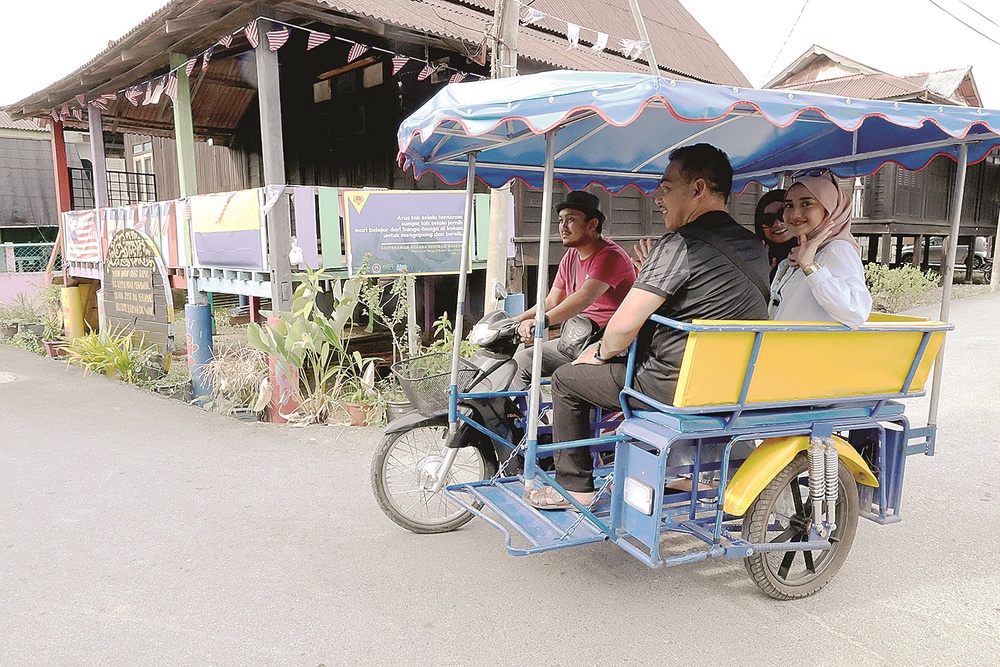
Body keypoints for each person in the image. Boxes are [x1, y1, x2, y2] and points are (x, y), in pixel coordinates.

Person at [525, 144, 770, 510]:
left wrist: (601, 352)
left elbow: (622, 329)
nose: (658, 197)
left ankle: (575, 487)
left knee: (566, 380)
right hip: (734, 382)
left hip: (669, 385)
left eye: (667, 187)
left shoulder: (679, 244)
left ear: (698, 189)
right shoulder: (754, 246)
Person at [511, 191, 635, 390]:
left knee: (557, 375)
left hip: (608, 345)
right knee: (520, 362)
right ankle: (524, 418)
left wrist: (543, 321)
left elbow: (584, 297)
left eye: (571, 220)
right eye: (560, 220)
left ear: (592, 224)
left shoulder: (610, 256)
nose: (563, 227)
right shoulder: (571, 256)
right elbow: (552, 301)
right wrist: (514, 321)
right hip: (577, 340)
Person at [769, 170, 872, 328]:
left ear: (830, 209)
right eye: (789, 205)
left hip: (811, 350)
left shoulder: (837, 249)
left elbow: (856, 312)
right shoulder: (800, 253)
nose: (795, 214)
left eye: (807, 204)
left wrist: (810, 267)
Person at [754, 188, 795, 282]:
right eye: (767, 219)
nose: (777, 223)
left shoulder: (816, 252)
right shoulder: (753, 259)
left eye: (782, 215)